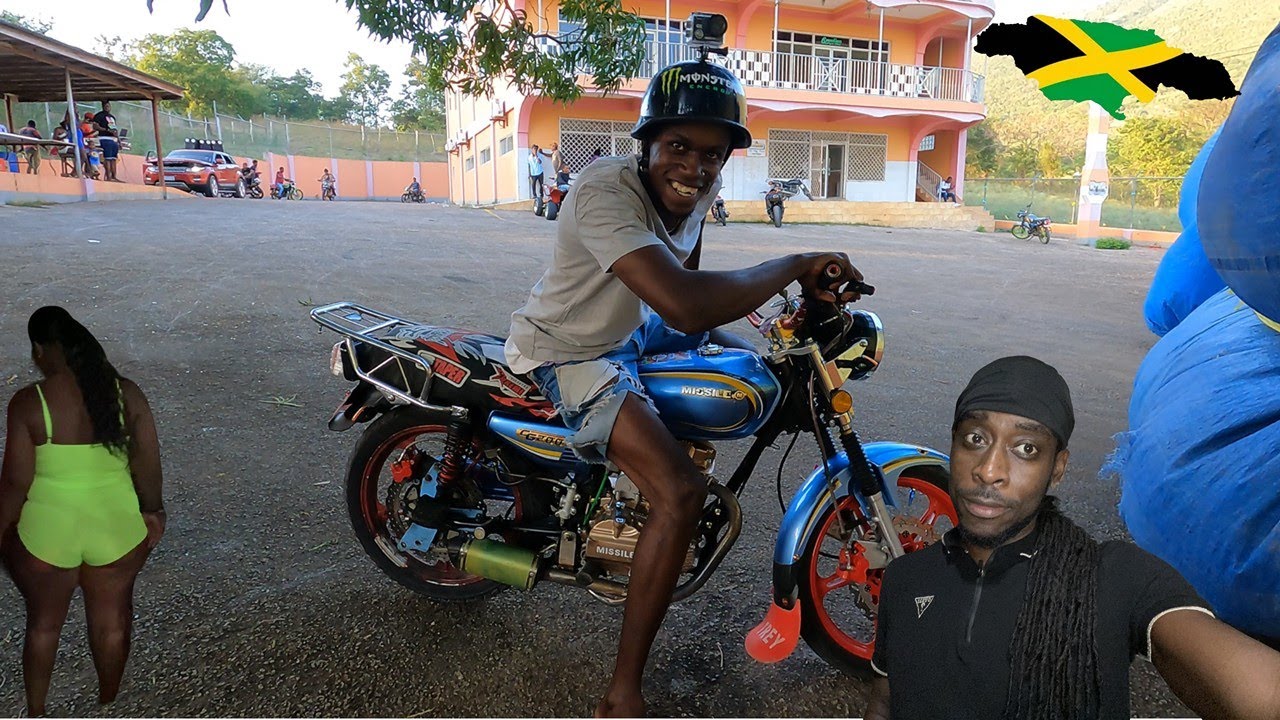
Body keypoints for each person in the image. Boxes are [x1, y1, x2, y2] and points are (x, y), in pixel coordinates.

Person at [505, 58, 863, 717]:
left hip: (635, 331)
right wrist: (792, 262)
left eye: (712, 156)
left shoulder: (692, 200)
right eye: (678, 148)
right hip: (571, 348)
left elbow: (683, 309)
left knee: (756, 367)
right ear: (646, 144)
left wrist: (775, 339)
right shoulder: (604, 191)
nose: (694, 169)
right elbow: (686, 302)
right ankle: (622, 695)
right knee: (680, 491)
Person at [864, 356, 1280, 720]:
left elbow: (1261, 694)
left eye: (1025, 448)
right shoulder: (905, 578)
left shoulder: (1115, 578)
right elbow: (883, 704)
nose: (990, 470)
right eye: (975, 439)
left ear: (1058, 468)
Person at [0, 307, 166, 717]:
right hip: (115, 528)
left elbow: (15, 485)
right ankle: (107, 701)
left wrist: (2, 532)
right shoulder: (127, 393)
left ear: (40, 350)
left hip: (48, 535)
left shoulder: (29, 403)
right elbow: (147, 465)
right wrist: (153, 511)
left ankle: (36, 711)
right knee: (112, 621)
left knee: (42, 625)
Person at [91, 101, 121, 182]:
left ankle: (114, 176)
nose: (107, 107)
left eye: (109, 106)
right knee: (107, 158)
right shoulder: (99, 116)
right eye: (106, 106)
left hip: (113, 139)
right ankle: (108, 177)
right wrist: (106, 130)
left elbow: (115, 129)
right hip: (104, 138)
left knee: (113, 158)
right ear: (103, 106)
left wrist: (119, 140)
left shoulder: (112, 117)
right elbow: (95, 126)